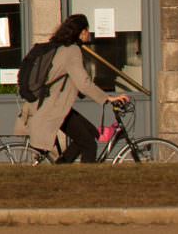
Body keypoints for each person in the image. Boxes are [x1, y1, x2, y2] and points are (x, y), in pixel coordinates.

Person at [21, 13, 127, 163]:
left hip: (53, 105)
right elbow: (83, 83)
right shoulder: (72, 51)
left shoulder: (62, 48)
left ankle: (62, 169)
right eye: (88, 30)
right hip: (53, 107)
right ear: (82, 32)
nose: (89, 34)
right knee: (89, 145)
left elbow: (72, 82)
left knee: (90, 133)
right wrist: (107, 98)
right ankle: (84, 183)